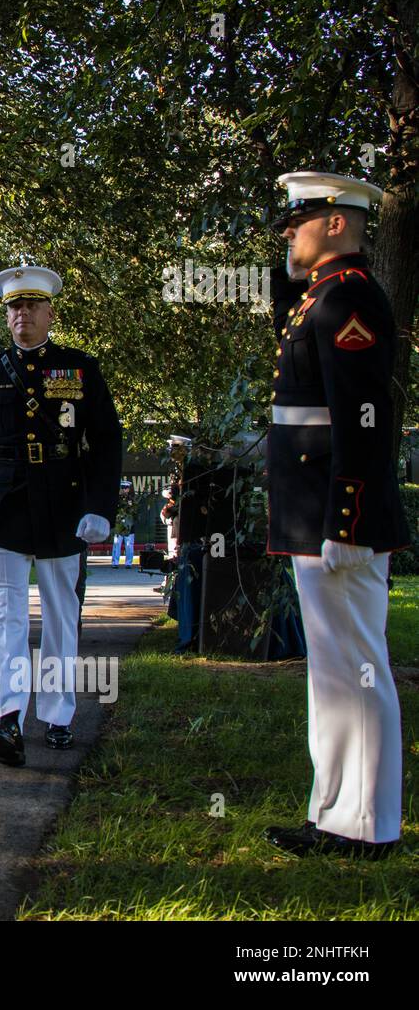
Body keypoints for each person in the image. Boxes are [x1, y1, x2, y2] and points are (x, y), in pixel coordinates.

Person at [261, 171, 408, 859]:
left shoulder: (348, 298)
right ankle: (335, 815)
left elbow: (365, 420)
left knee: (359, 669)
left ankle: (371, 826)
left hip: (334, 518)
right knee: (334, 673)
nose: (290, 231)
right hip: (313, 516)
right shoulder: (320, 296)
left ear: (339, 224)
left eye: (302, 219)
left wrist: (347, 519)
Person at [0, 266, 122, 765]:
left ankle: (59, 714)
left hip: (63, 508)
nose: (21, 314)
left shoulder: (78, 369)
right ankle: (5, 720)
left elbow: (106, 443)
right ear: (6, 316)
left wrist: (99, 509)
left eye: (30, 306)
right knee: (7, 618)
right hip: (4, 512)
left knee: (61, 617)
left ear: (50, 313)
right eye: (13, 307)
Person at [110, 481, 136, 566]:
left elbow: (134, 512)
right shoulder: (117, 499)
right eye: (123, 488)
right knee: (117, 544)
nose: (125, 490)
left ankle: (128, 563)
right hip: (119, 525)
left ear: (129, 489)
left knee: (129, 545)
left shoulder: (132, 499)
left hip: (129, 525)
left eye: (126, 488)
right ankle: (115, 562)